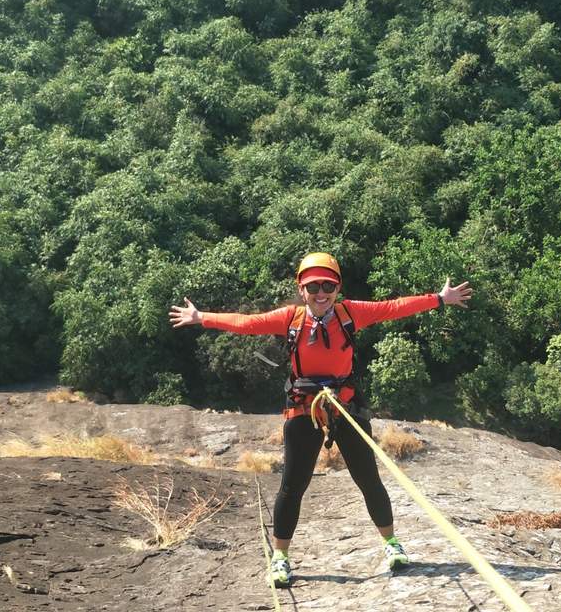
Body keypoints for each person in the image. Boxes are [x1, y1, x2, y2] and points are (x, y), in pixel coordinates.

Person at [168, 252, 473, 588]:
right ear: (302, 289)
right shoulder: (290, 318)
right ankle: (281, 558)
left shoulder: (349, 313)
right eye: (314, 285)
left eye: (328, 284)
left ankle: (391, 545)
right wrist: (201, 317)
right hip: (304, 409)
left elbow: (392, 308)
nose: (321, 291)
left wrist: (439, 300)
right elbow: (246, 322)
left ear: (337, 287)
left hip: (345, 407)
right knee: (293, 486)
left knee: (368, 479)